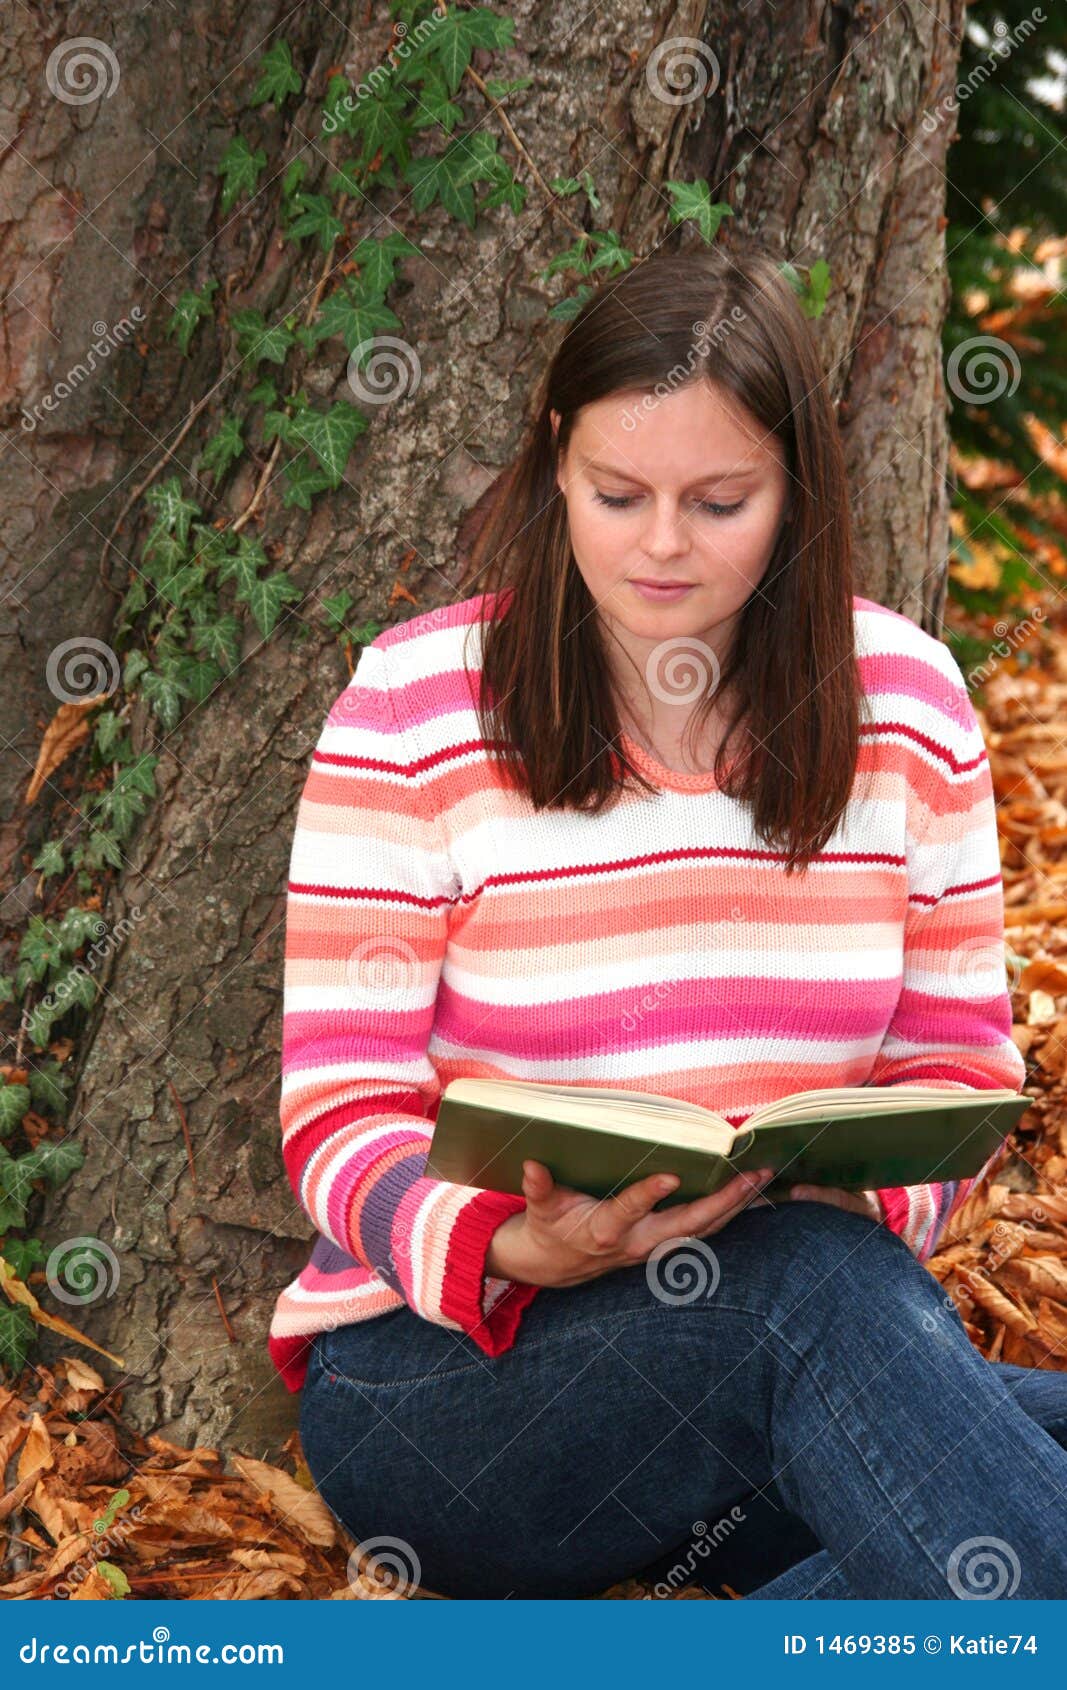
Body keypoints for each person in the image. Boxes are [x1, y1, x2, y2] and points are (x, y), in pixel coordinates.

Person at [269, 243, 1067, 1600]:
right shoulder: (413, 707)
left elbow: (961, 1068)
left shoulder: (911, 705)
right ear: (553, 468)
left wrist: (875, 1188)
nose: (660, 545)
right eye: (617, 493)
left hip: (782, 1351)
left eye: (720, 501)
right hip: (454, 1379)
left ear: (798, 494)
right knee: (816, 1296)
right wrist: (510, 1241)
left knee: (870, 1360)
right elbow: (337, 1109)